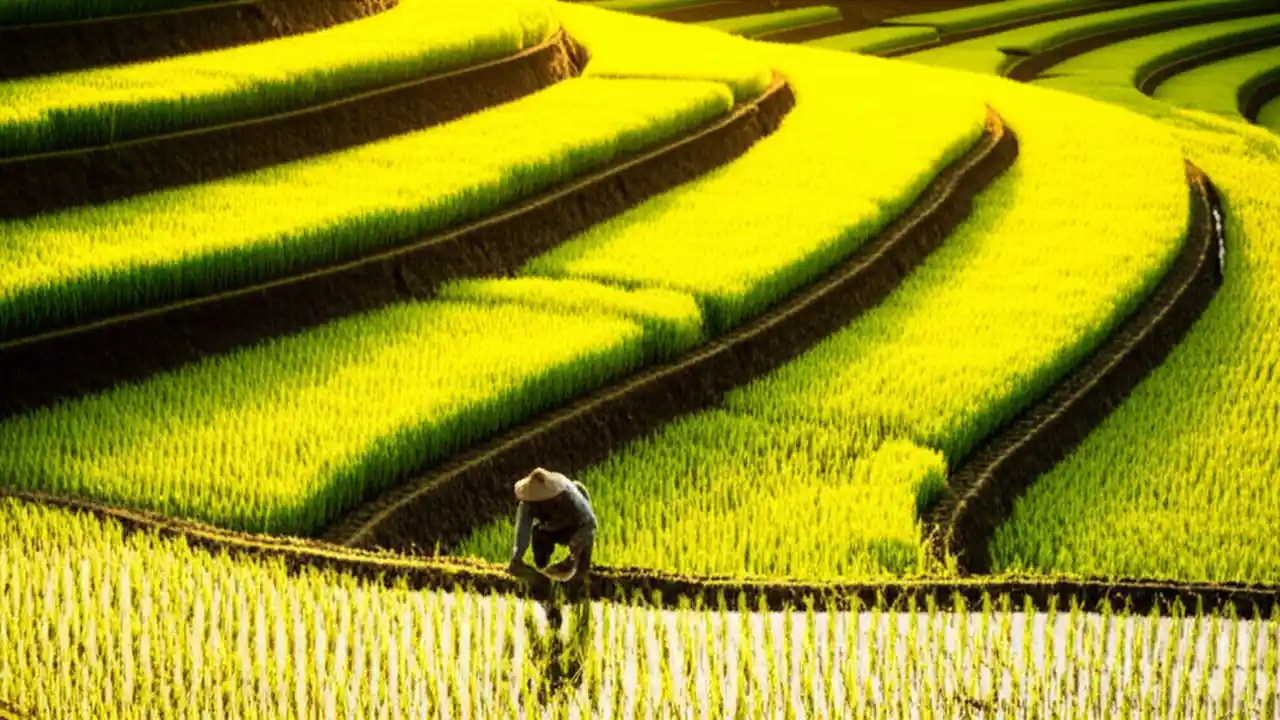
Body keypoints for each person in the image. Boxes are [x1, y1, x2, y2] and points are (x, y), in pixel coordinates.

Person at [506, 467, 596, 592]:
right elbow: (523, 531)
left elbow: (590, 524)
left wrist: (575, 547)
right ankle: (544, 571)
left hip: (574, 526)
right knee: (539, 537)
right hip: (550, 527)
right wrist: (517, 558)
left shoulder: (569, 497)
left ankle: (579, 571)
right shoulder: (528, 503)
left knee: (580, 570)